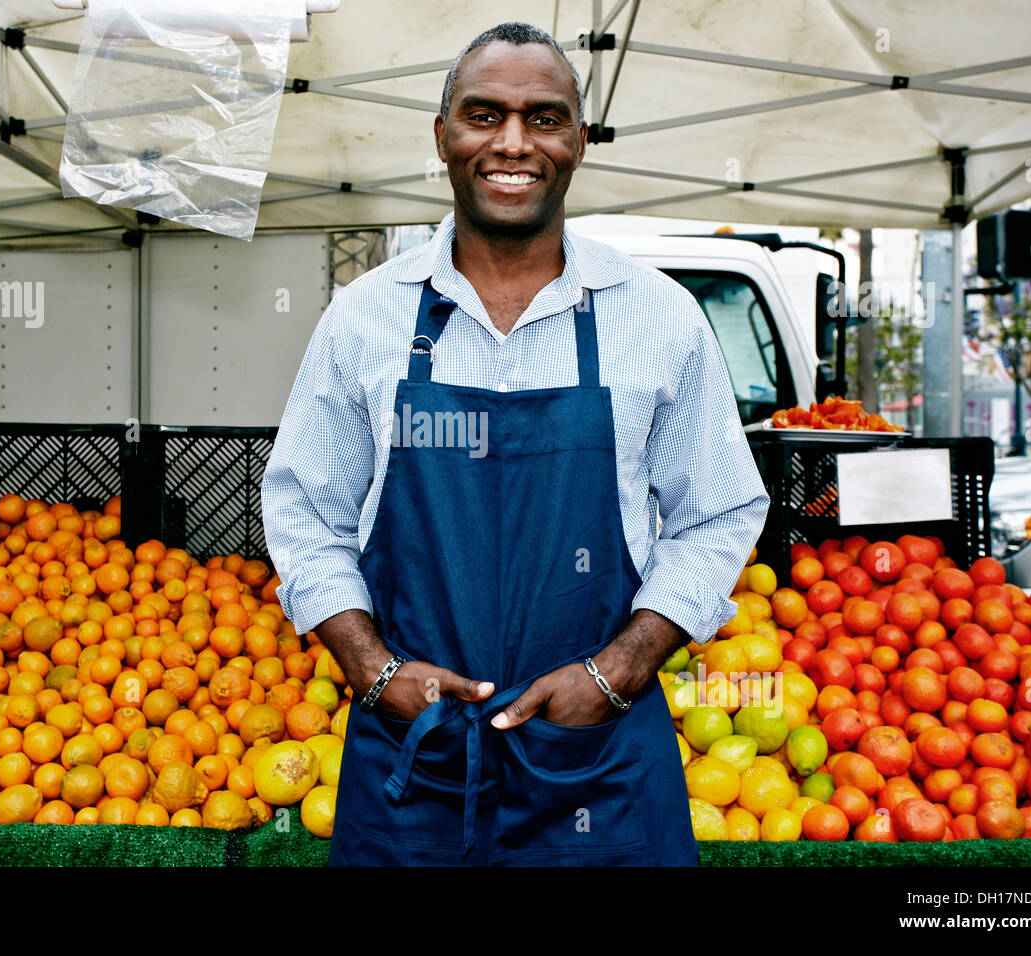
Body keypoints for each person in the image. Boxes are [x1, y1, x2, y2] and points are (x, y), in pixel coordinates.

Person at [262, 21, 769, 866]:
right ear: (443, 136)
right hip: (414, 765)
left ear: (577, 140)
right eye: (483, 114)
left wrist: (618, 673)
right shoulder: (366, 316)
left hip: (596, 771)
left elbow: (719, 514)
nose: (511, 142)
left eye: (543, 117)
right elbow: (305, 513)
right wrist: (376, 672)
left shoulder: (657, 316)